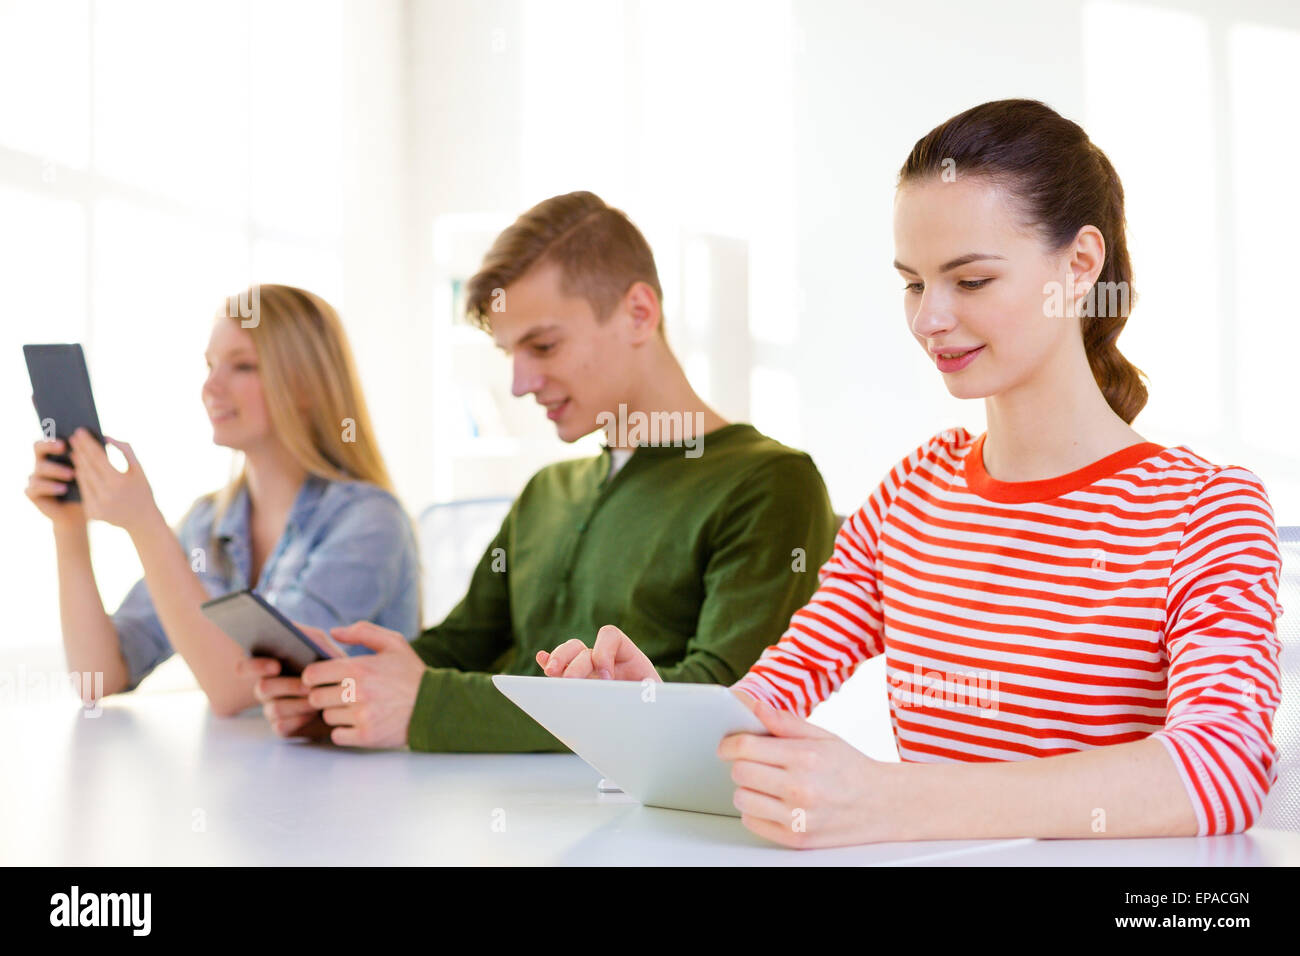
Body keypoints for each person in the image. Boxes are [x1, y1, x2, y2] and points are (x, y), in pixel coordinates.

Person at [539, 100, 1284, 845]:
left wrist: (892, 799)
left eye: (972, 281)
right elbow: (777, 689)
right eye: (914, 283)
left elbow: (1221, 768)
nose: (929, 318)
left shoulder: (1206, 512)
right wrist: (660, 727)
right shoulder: (911, 496)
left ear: (1079, 265)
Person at [242, 191, 839, 750]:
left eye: (544, 347)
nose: (520, 384)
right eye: (510, 355)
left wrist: (427, 705)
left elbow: (722, 702)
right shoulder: (549, 490)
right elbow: (465, 647)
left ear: (638, 313)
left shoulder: (771, 485)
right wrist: (344, 686)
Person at [26, 284, 419, 717]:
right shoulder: (208, 522)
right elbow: (97, 676)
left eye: (243, 366)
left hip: (355, 781)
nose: (210, 387)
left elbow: (239, 689)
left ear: (308, 386)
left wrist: (144, 524)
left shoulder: (369, 522)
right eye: (210, 366)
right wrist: (69, 527)